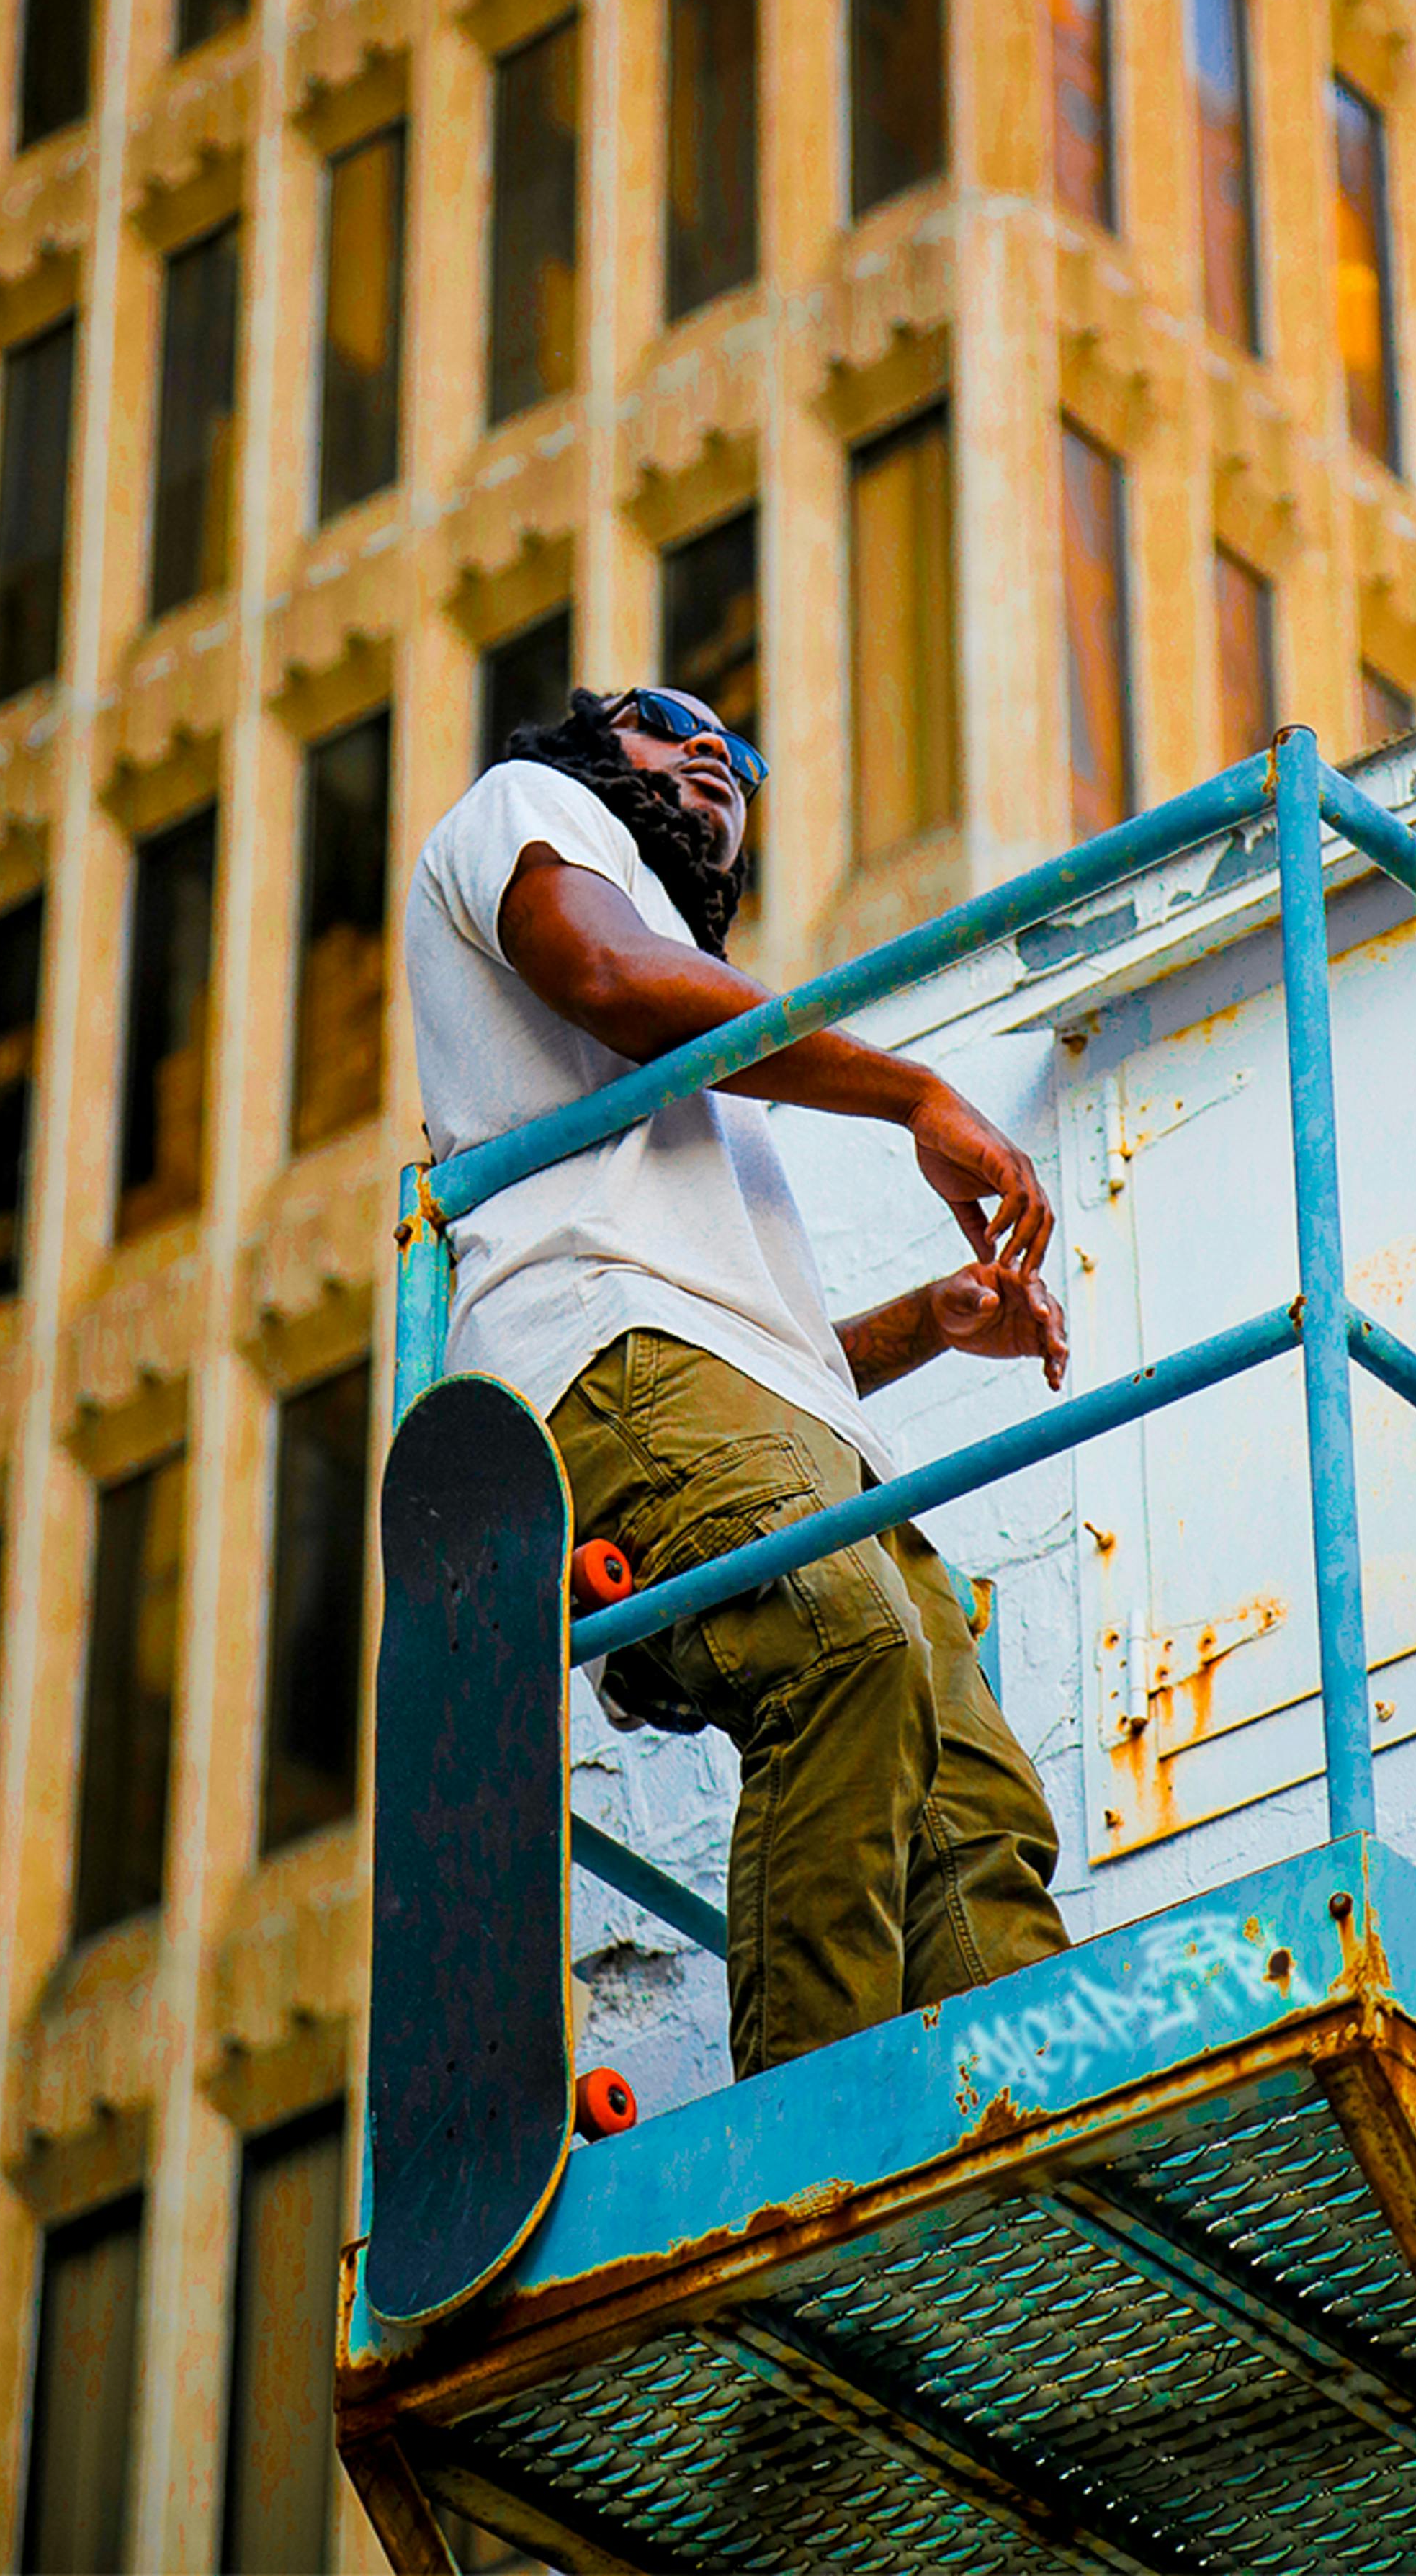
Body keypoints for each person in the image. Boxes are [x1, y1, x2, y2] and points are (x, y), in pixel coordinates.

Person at [405, 684, 1072, 2078]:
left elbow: (767, 1365)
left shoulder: (697, 1092)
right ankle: (819, 2147)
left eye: (743, 753)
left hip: (765, 1412)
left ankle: (1023, 2175)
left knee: (977, 1813)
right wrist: (909, 1095)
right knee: (844, 1648)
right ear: (589, 751)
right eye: (665, 720)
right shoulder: (531, 815)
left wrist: (927, 1323)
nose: (715, 749)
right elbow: (604, 973)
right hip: (612, 1356)